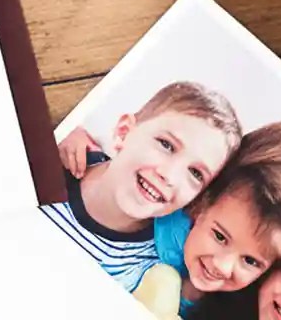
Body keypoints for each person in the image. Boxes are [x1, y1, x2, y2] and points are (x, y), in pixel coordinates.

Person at [45, 81, 242, 293]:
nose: (169, 175)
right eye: (166, 145)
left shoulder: (150, 269)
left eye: (195, 173)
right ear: (124, 132)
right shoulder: (56, 161)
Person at [148, 122, 281, 317]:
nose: (222, 266)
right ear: (202, 203)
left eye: (250, 261)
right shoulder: (157, 221)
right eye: (220, 237)